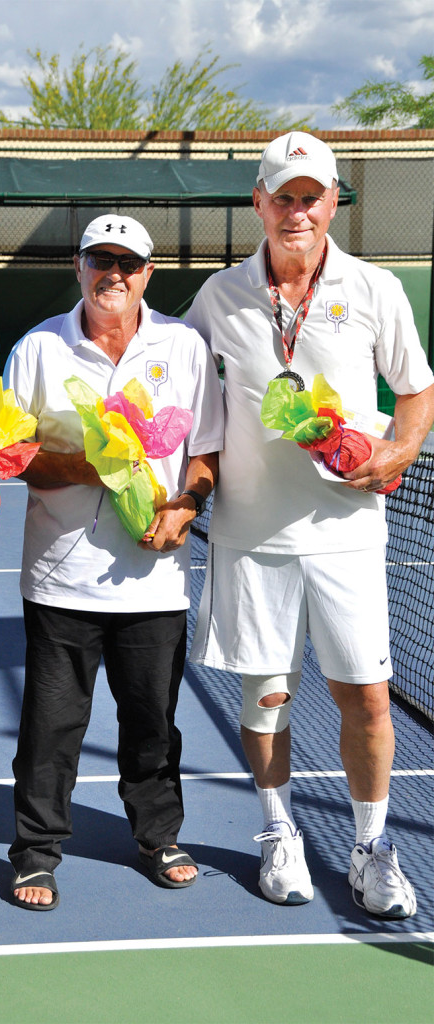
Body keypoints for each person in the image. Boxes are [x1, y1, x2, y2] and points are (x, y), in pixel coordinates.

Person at [185, 131, 434, 918]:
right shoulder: (219, 298)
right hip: (251, 536)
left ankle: (369, 848)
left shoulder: (376, 289)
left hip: (349, 532)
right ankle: (278, 830)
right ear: (258, 202)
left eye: (312, 196)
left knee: (367, 696)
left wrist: (400, 447)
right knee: (267, 697)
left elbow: (417, 390)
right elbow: (178, 393)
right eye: (283, 196)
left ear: (333, 203)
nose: (298, 210)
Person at [2, 214, 223, 909]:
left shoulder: (183, 346)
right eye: (101, 260)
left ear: (148, 275)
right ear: (79, 266)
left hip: (155, 585)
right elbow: (10, 456)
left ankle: (159, 837)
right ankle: (36, 852)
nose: (114, 275)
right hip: (60, 580)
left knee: (153, 721)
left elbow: (207, 452)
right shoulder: (39, 347)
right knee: (50, 727)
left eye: (128, 264)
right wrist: (89, 464)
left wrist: (186, 504)